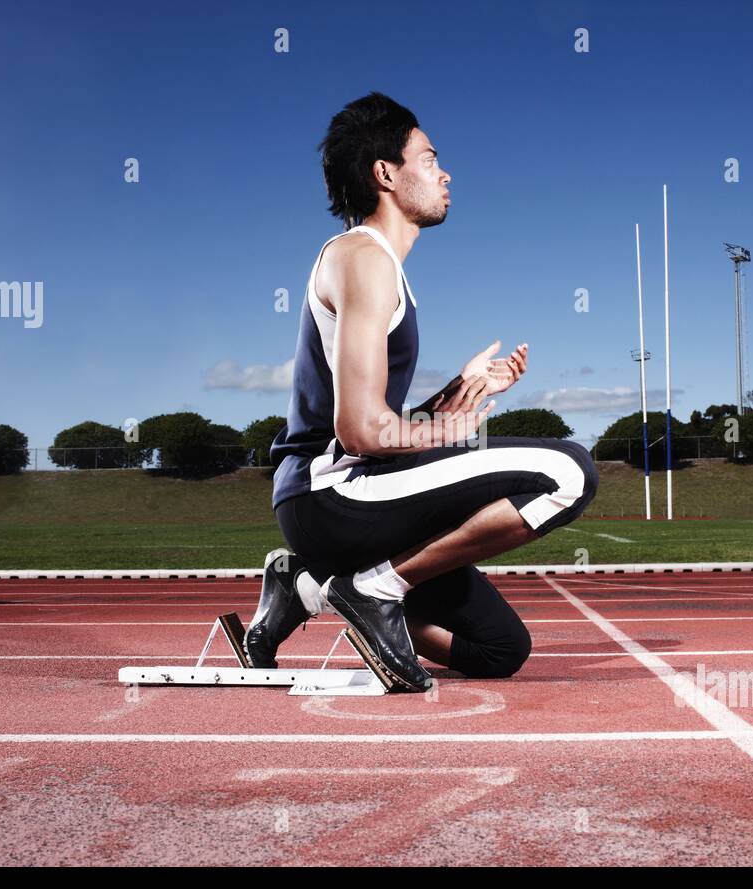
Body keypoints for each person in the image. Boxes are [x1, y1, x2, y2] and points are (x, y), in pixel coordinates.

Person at [249, 92, 597, 692]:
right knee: (568, 472)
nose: (445, 173)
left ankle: (304, 586)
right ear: (385, 173)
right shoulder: (363, 259)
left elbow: (374, 422)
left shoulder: (378, 264)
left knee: (499, 649)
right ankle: (373, 587)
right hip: (330, 494)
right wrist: (445, 432)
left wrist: (454, 398)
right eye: (429, 159)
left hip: (351, 495)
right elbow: (358, 431)